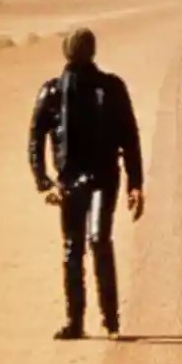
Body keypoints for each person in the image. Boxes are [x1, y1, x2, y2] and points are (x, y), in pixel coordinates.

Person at [28, 27, 144, 340]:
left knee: (97, 239)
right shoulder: (53, 92)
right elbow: (36, 137)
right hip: (69, 181)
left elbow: (128, 136)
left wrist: (136, 182)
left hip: (104, 177)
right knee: (74, 247)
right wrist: (44, 182)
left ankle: (111, 321)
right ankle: (75, 322)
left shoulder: (111, 88)